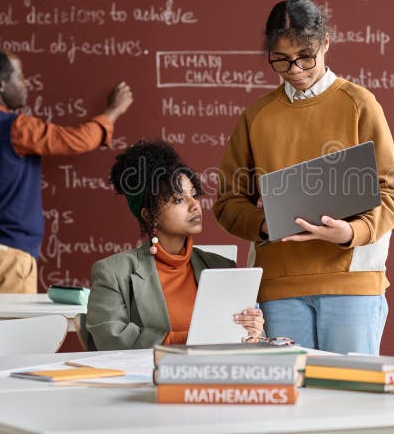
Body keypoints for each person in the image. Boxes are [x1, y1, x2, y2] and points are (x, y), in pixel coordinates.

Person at [213, 0, 394, 354]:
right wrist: (267, 224)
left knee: (350, 397)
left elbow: (393, 194)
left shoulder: (359, 104)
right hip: (278, 285)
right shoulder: (257, 116)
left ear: (326, 43)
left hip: (352, 281)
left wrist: (351, 232)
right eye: (281, 60)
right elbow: (227, 202)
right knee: (291, 401)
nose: (296, 69)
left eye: (306, 56)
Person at [0, 48, 133, 295]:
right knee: (15, 333)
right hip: (3, 255)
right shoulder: (16, 128)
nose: (25, 83)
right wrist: (113, 112)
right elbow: (76, 140)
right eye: (19, 77)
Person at [85, 139, 264, 350]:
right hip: (150, 377)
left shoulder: (223, 267)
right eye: (179, 199)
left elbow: (248, 341)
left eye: (194, 195)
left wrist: (254, 332)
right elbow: (111, 339)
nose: (195, 205)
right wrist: (193, 341)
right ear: (149, 214)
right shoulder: (113, 273)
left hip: (216, 374)